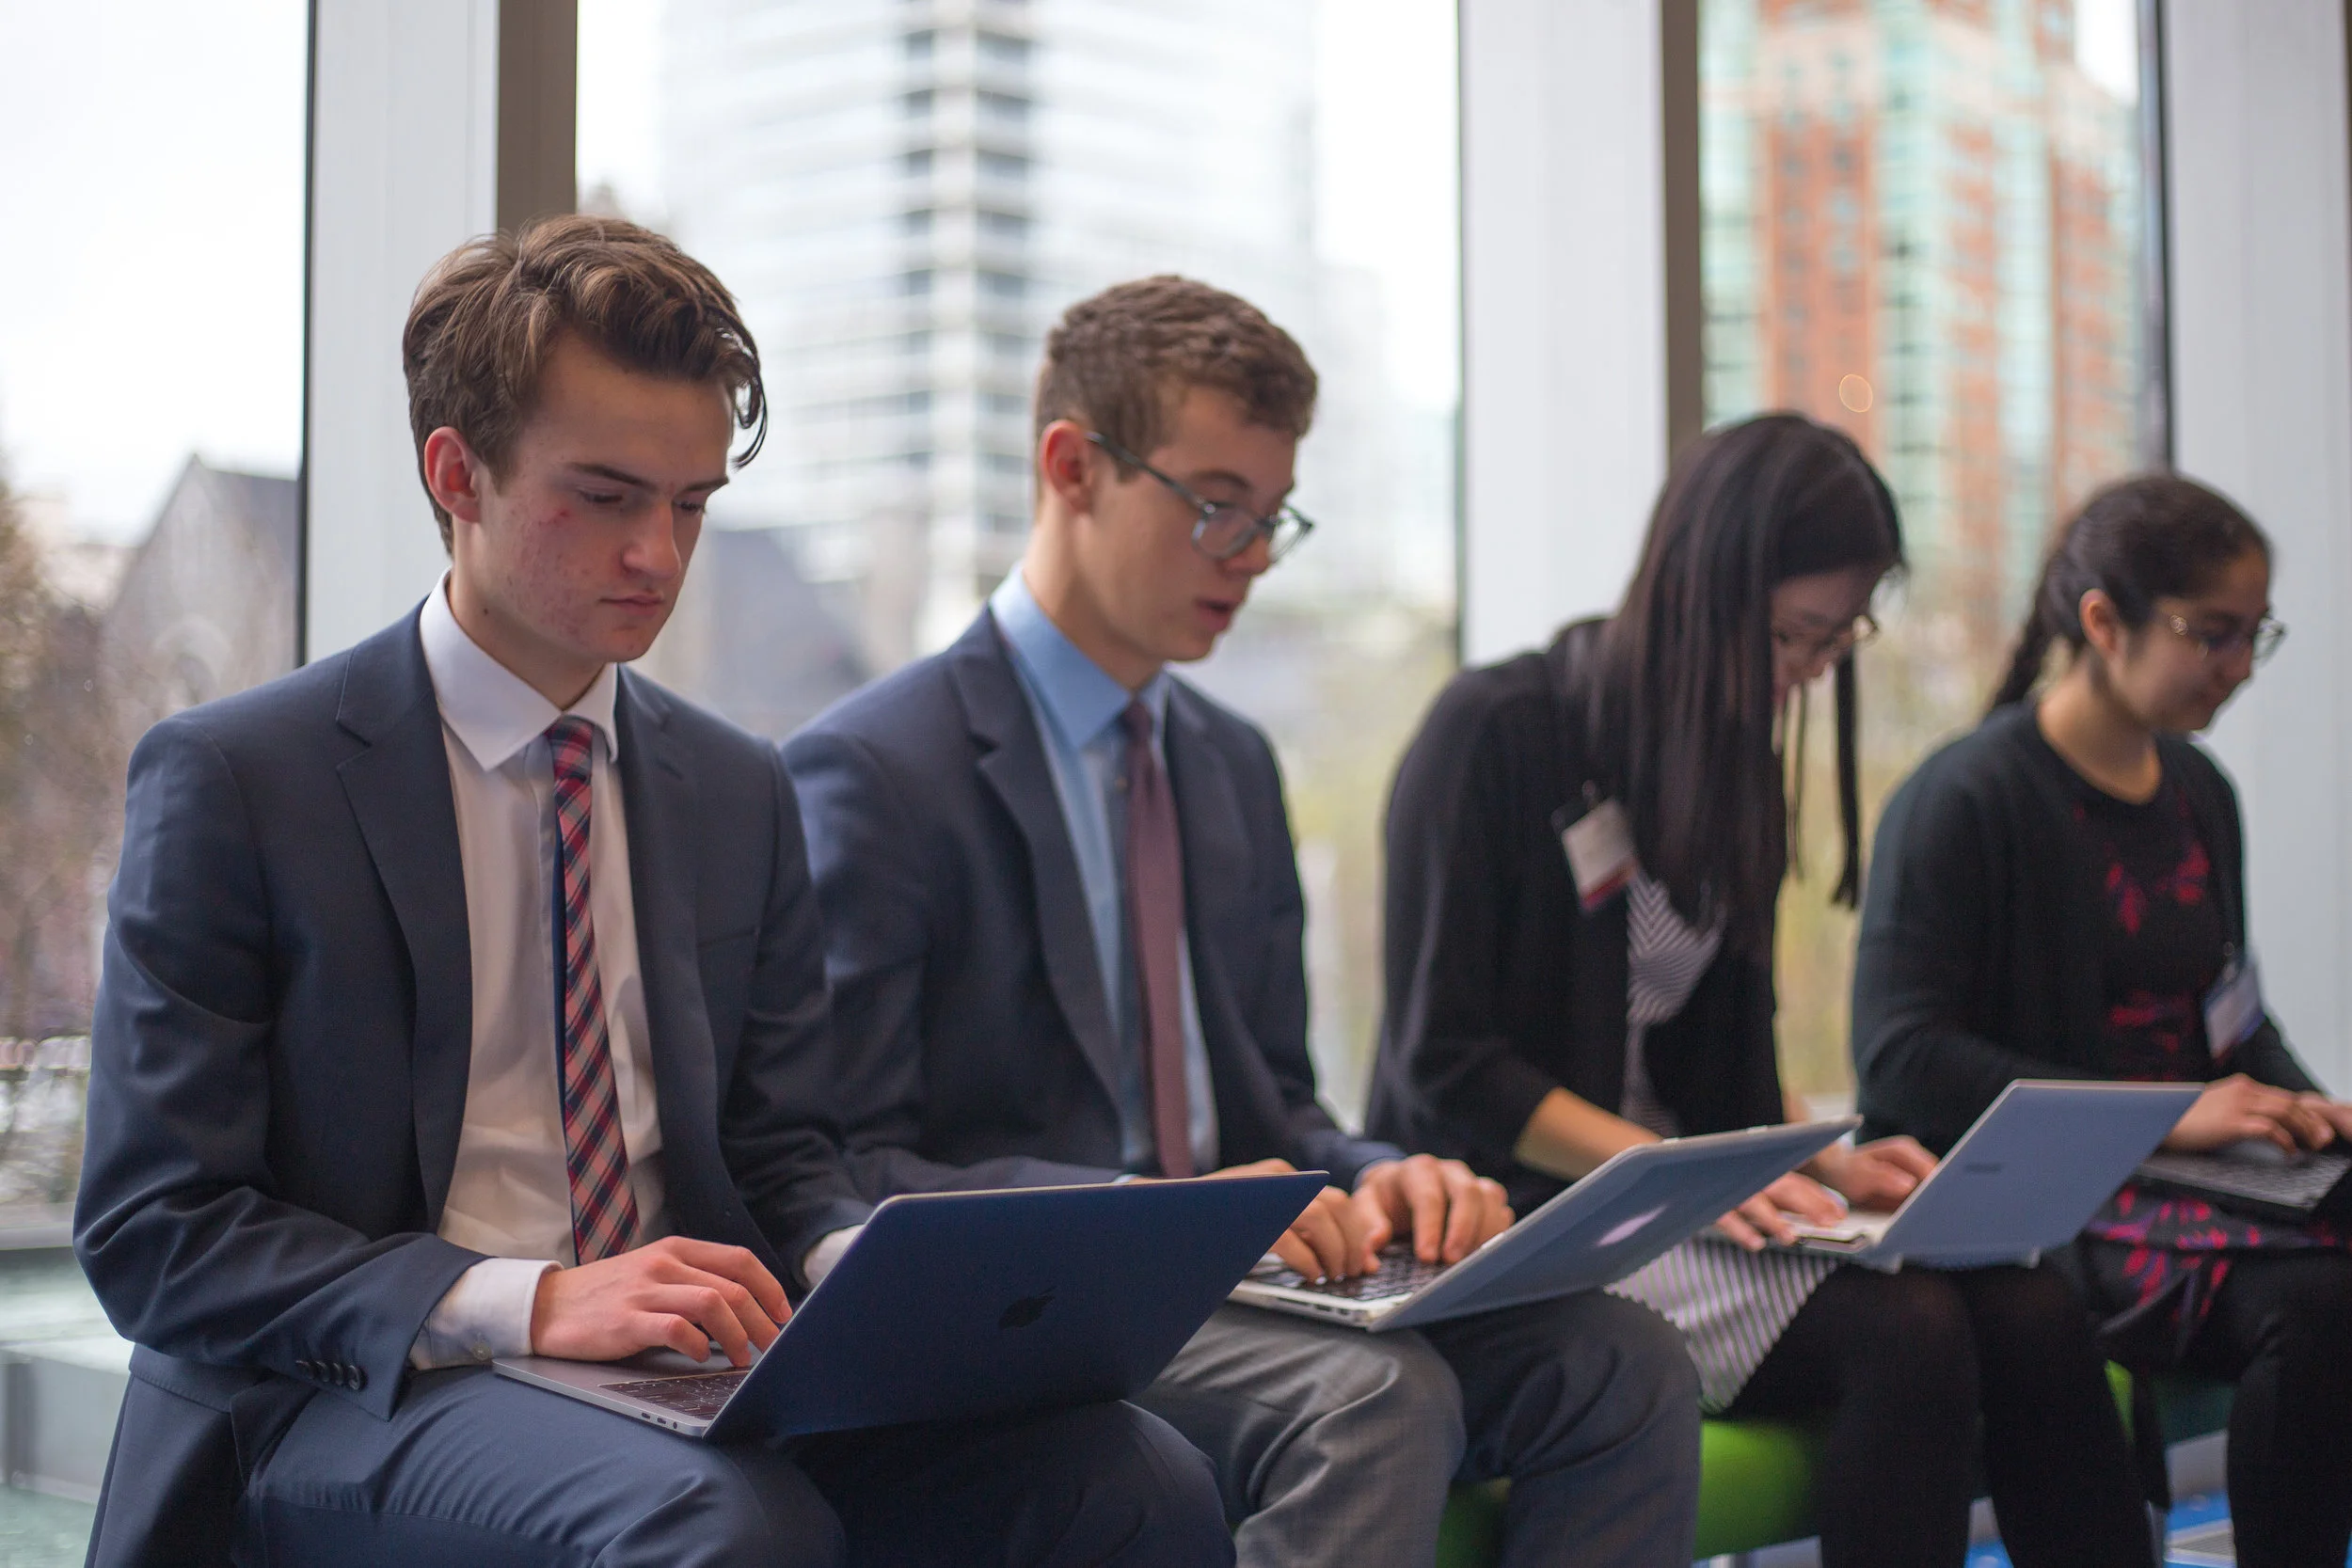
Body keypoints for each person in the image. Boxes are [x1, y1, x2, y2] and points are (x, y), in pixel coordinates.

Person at [71, 216, 1230, 1568]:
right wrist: (529, 1299)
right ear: (457, 473)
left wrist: (859, 1262)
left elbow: (784, 1151)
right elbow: (157, 1229)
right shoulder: (240, 777)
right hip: (362, 1389)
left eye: (689, 503)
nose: (659, 556)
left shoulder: (736, 785)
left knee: (1131, 1476)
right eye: (607, 496)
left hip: (684, 1364)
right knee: (728, 1521)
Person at [782, 276, 1702, 1568]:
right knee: (1375, 1402)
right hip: (1057, 1302)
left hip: (1255, 1282)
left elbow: (1279, 1105)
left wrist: (1377, 1171)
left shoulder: (1228, 763)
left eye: (1274, 516)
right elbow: (845, 1165)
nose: (1255, 556)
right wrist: (1145, 1212)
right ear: (1071, 466)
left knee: (1627, 1361)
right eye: (1217, 505)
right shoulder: (877, 771)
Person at [1368, 414, 2154, 1568]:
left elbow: (1719, 1062)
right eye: (1796, 633)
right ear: (1703, 589)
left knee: (2026, 1300)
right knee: (1907, 1328)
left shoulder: (1731, 761)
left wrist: (1819, 1158)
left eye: (1840, 637)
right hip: (1525, 1209)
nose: (1815, 666)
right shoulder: (1495, 731)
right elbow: (1446, 1060)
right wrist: (1671, 1173)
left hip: (1672, 1196)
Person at [1853, 473, 2352, 1568]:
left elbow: (2231, 1017)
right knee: (2319, 1302)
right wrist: (2165, 1112)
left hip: (2193, 1176)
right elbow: (1900, 1059)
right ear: (2101, 622)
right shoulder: (1964, 798)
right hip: (2061, 1201)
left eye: (2253, 634)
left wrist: (2308, 1110)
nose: (2236, 665)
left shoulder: (2197, 791)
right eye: (2210, 633)